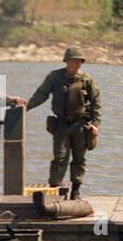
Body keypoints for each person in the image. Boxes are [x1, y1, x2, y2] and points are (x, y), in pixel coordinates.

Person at [25, 46, 102, 198]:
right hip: (61, 125)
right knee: (59, 157)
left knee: (79, 158)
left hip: (81, 125)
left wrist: (95, 124)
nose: (76, 64)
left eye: (79, 61)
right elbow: (42, 94)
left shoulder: (87, 80)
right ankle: (55, 188)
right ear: (66, 61)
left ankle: (76, 189)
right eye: (73, 61)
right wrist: (26, 107)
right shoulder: (54, 77)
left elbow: (96, 103)